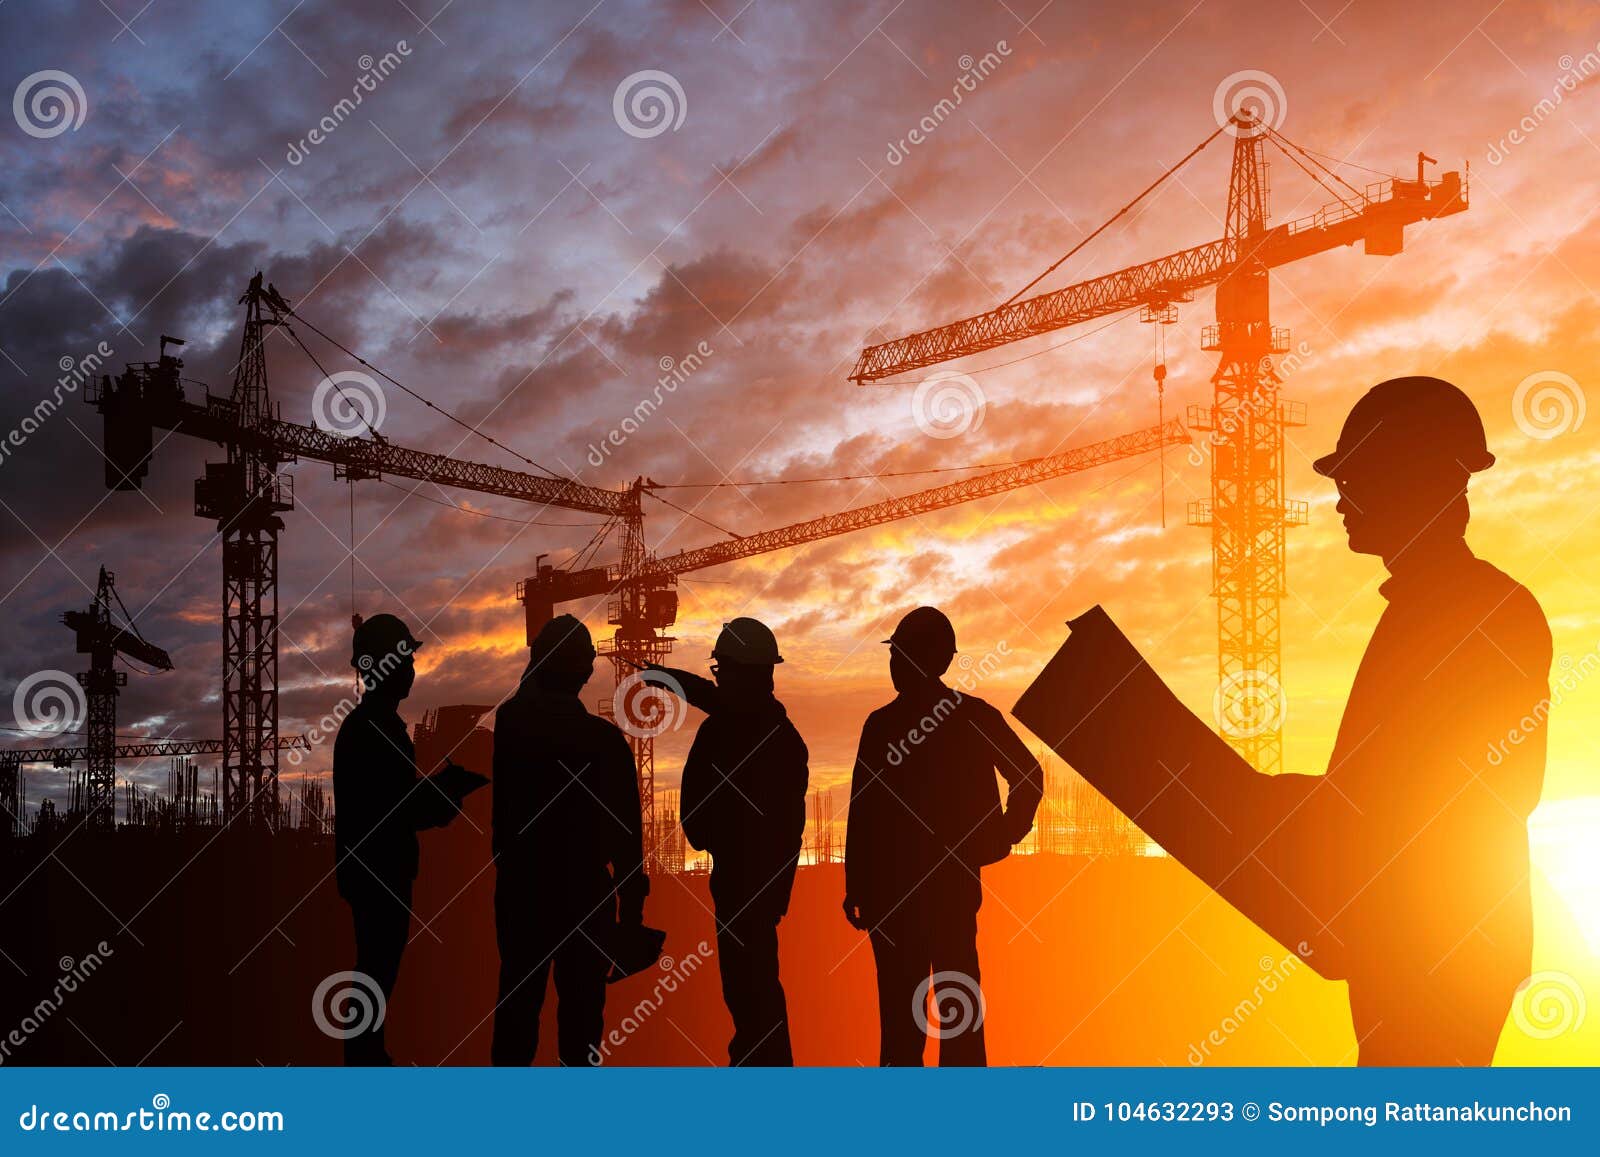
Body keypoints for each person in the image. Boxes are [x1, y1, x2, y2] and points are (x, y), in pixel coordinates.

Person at [1295, 375, 1551, 1064]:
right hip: (1412, 940)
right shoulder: (1425, 609)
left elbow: (1490, 786)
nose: (1339, 499)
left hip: (1441, 945)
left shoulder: (1481, 611)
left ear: (1408, 480)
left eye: (1356, 478)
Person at [843, 606, 1043, 1066]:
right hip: (939, 892)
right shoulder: (968, 718)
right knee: (952, 1014)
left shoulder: (885, 726)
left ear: (921, 658)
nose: (892, 663)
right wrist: (1002, 835)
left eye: (898, 653)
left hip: (898, 897)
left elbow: (863, 813)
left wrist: (858, 883)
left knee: (903, 1021)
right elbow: (1028, 777)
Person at [641, 617, 808, 1065]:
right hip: (762, 889)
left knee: (749, 993)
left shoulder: (726, 732)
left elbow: (700, 820)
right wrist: (670, 678)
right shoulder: (782, 737)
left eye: (722, 669)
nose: (718, 678)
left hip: (739, 886)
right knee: (756, 991)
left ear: (739, 672)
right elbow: (791, 827)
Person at [491, 614, 648, 1066]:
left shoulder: (513, 725)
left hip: (524, 896)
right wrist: (632, 915)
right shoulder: (604, 741)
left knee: (518, 1019)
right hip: (586, 899)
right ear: (585, 672)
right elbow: (628, 839)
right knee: (582, 1029)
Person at [332, 613, 461, 1066]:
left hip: (369, 869)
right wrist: (445, 798)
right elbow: (394, 808)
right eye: (405, 661)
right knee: (376, 971)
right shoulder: (378, 730)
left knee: (374, 970)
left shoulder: (368, 725)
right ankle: (365, 1062)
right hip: (380, 872)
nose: (412, 670)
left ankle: (367, 1056)